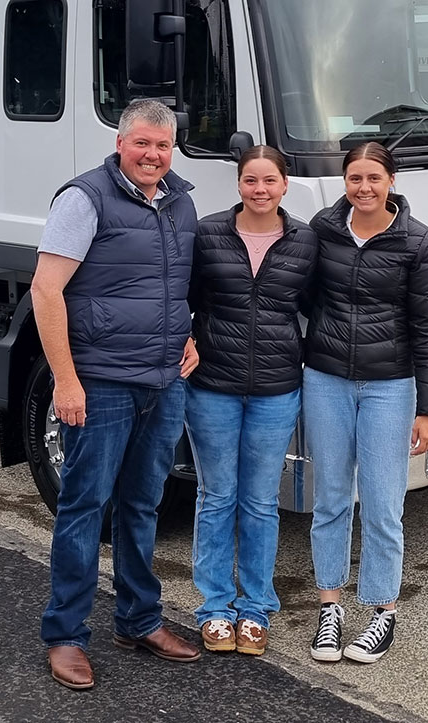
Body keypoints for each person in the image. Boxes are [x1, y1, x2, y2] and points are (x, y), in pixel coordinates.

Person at [34, 98, 203, 691]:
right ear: (120, 143)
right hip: (101, 381)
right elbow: (46, 290)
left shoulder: (181, 200)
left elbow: (182, 281)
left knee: (142, 506)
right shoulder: (84, 199)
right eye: (142, 144)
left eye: (163, 145)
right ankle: (65, 635)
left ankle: (139, 620)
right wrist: (66, 379)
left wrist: (192, 336)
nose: (153, 155)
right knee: (84, 507)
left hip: (164, 382)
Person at [301, 141, 428, 665]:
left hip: (390, 386)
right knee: (331, 499)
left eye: (374, 179)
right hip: (326, 380)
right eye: (355, 178)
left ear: (391, 181)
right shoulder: (322, 231)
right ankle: (329, 608)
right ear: (344, 181)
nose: (364, 188)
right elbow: (299, 296)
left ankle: (382, 613)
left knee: (384, 505)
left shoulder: (416, 241)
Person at [186, 145, 319, 657]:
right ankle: (215, 607)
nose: (259, 190)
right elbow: (185, 296)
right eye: (250, 181)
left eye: (269, 181)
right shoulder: (209, 233)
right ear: (238, 184)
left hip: (276, 388)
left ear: (285, 185)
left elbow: (317, 305)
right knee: (217, 496)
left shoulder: (304, 240)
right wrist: (184, 337)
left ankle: (255, 606)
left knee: (261, 502)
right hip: (212, 386)